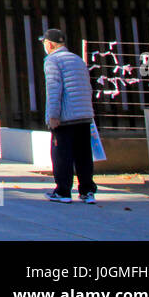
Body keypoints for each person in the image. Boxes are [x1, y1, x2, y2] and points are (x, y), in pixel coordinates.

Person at [41, 28, 97, 204]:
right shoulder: (77, 59)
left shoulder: (52, 61)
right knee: (83, 154)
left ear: (49, 44)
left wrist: (53, 115)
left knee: (61, 154)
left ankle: (63, 191)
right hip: (83, 114)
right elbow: (88, 88)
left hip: (65, 116)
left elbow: (54, 89)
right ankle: (87, 191)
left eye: (44, 43)